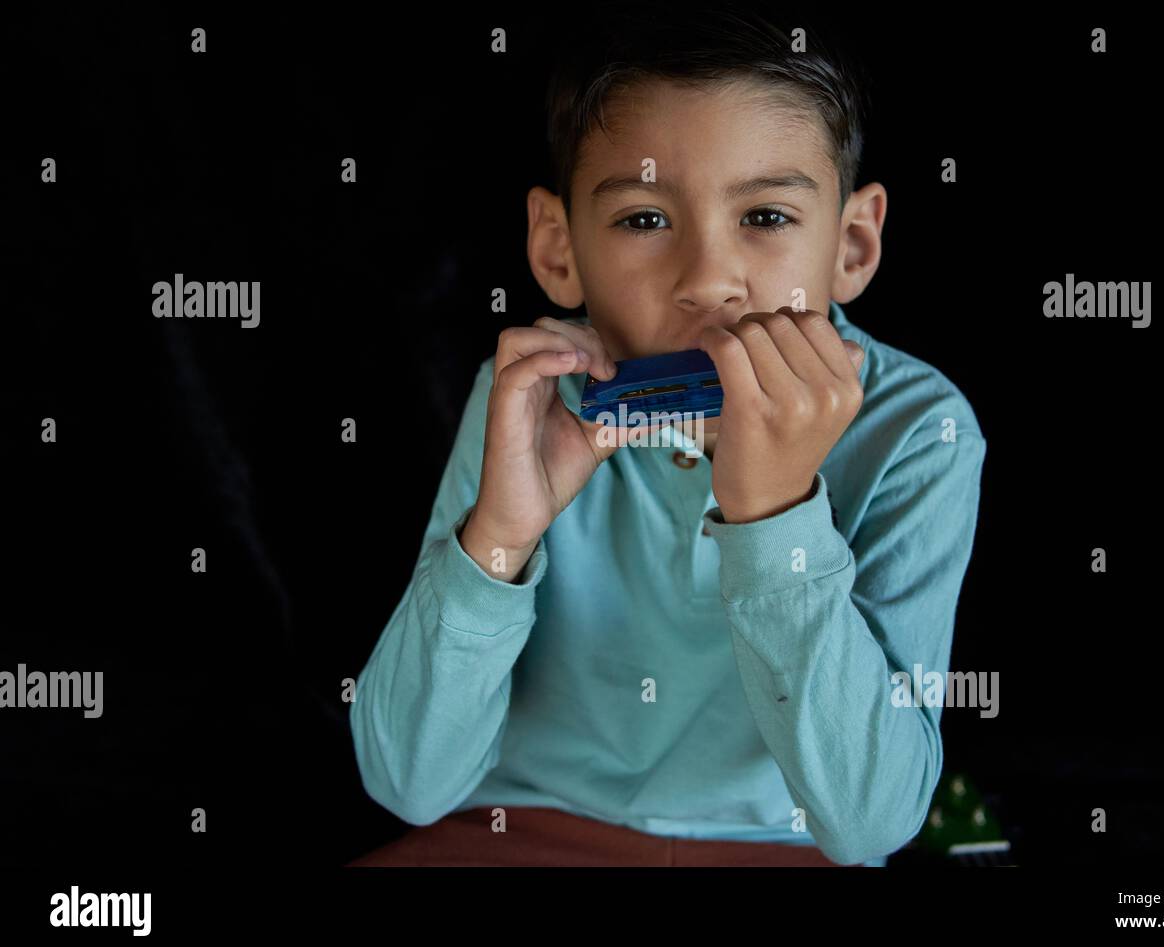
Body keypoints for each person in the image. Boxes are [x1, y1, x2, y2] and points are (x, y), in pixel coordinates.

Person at [348, 2, 987, 867]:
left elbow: (870, 822)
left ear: (854, 244)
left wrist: (773, 514)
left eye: (765, 216)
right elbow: (407, 783)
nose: (710, 280)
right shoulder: (530, 401)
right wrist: (499, 537)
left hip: (786, 845)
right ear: (557, 247)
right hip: (521, 827)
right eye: (645, 219)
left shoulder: (920, 428)